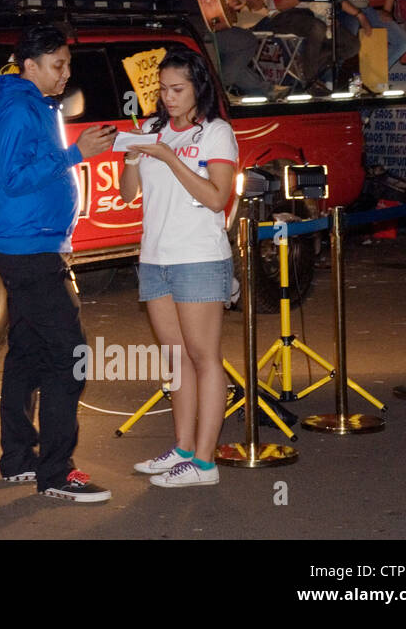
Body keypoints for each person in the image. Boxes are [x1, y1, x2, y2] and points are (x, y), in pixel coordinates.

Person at [0, 25, 117, 502]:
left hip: (35, 243)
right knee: (69, 355)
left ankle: (20, 458)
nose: (65, 74)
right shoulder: (20, 108)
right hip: (28, 248)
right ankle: (57, 472)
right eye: (57, 65)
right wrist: (79, 153)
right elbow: (13, 178)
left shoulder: (35, 104)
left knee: (28, 350)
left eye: (67, 65)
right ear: (31, 65)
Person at [119, 47, 238, 487]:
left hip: (199, 257)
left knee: (205, 357)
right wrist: (133, 156)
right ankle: (184, 449)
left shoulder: (215, 132)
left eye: (178, 89)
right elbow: (131, 194)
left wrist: (170, 157)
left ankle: (205, 464)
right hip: (155, 256)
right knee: (176, 359)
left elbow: (216, 197)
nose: (168, 98)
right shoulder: (152, 128)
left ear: (198, 88)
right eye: (163, 89)